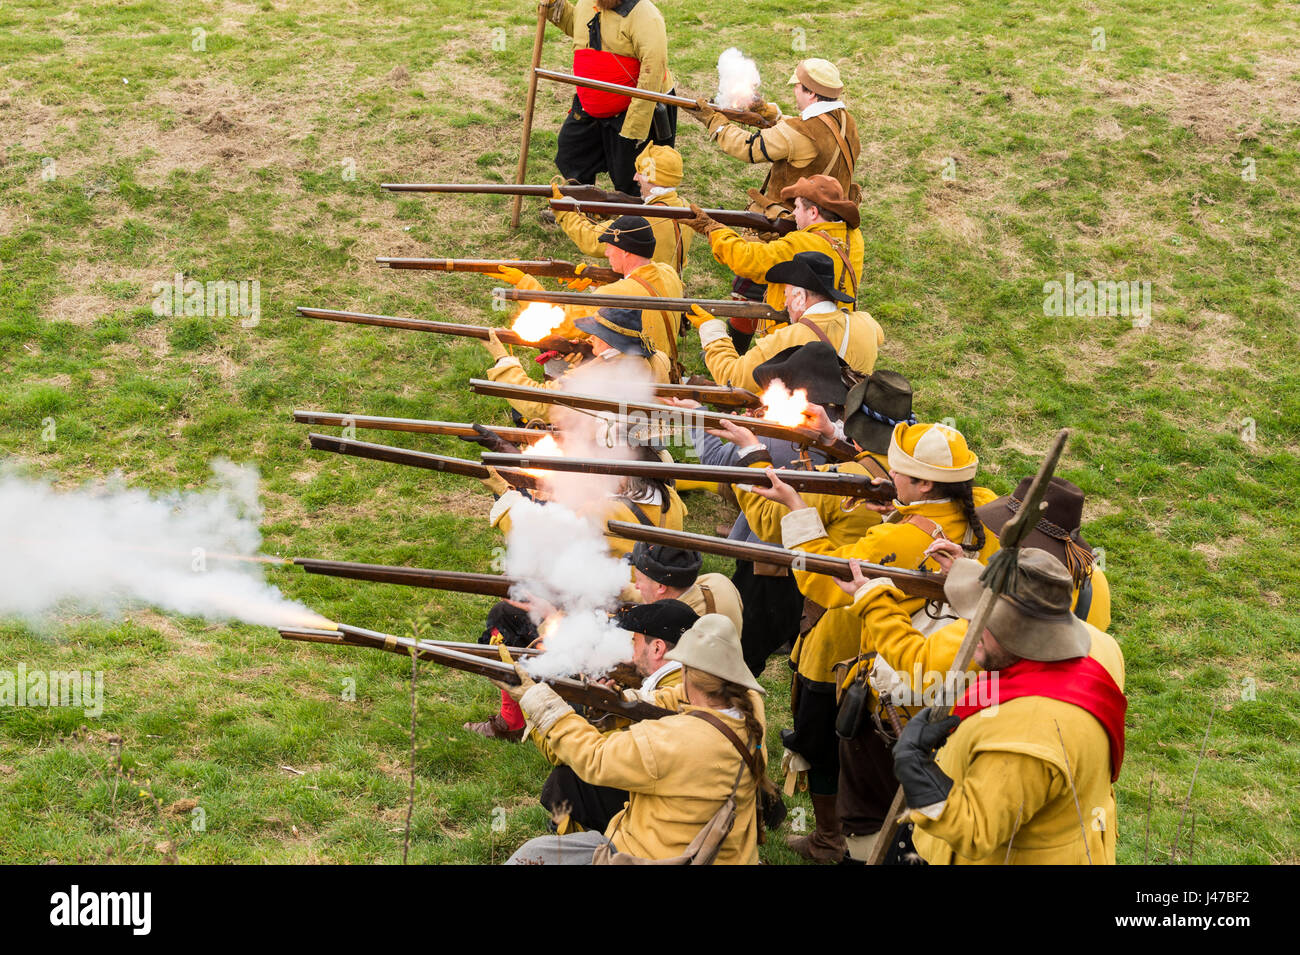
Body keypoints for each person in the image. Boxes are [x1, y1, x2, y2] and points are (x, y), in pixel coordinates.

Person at [747, 420, 999, 862]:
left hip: (897, 697)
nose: (888, 477)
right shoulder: (988, 515)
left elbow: (823, 580)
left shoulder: (896, 538)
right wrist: (901, 512)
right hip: (965, 695)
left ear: (923, 484)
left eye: (900, 473)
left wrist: (794, 505)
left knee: (870, 818)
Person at [886, 549, 1127, 865]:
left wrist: (917, 769)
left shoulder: (1026, 735)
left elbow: (974, 831)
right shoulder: (1101, 646)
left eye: (983, 618)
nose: (968, 626)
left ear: (1018, 631)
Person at [503, 614, 770, 864]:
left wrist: (538, 700)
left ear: (688, 672)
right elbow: (675, 696)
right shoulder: (750, 705)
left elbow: (593, 756)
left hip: (652, 855)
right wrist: (622, 702)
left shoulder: (668, 739)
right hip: (730, 855)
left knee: (532, 855)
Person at [539, 599, 698, 833]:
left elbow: (581, 754)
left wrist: (533, 700)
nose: (630, 652)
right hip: (679, 796)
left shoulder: (668, 697)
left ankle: (583, 836)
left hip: (666, 815)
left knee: (567, 776)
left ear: (657, 648)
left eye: (635, 641)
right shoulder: (690, 680)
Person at [495, 215, 686, 375]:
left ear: (626, 252)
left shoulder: (612, 295)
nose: (607, 252)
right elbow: (640, 286)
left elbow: (561, 325)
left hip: (633, 377)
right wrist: (599, 281)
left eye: (611, 247)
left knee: (555, 358)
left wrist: (524, 283)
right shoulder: (668, 272)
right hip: (664, 368)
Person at [687, 249, 882, 394]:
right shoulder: (867, 324)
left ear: (800, 296)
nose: (784, 302)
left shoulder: (786, 339)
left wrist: (710, 328)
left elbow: (733, 377)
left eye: (787, 294)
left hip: (800, 433)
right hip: (852, 429)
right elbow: (878, 336)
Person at [687, 58, 858, 217]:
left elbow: (749, 148)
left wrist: (715, 121)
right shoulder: (846, 120)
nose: (794, 90)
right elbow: (807, 129)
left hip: (794, 221)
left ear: (811, 93)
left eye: (797, 86)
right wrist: (770, 114)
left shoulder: (800, 132)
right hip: (830, 217)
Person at [542, 0, 676, 197]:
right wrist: (554, 6)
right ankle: (584, 209)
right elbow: (577, 25)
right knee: (573, 155)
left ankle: (635, 223)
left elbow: (652, 71)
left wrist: (634, 129)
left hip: (636, 107)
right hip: (589, 104)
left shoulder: (646, 16)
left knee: (632, 173)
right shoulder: (588, 3)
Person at [684, 176, 864, 316]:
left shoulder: (800, 243)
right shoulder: (854, 237)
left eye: (797, 207)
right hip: (838, 327)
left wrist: (713, 228)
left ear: (813, 212)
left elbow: (746, 259)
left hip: (795, 336)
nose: (793, 213)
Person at [481, 305, 673, 425]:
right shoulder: (660, 358)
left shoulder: (593, 378)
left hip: (606, 461)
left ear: (609, 340)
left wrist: (503, 360)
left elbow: (539, 405)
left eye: (597, 334)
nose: (590, 337)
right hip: (650, 449)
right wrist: (589, 360)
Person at [555, 144, 693, 274]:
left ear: (653, 178)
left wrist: (565, 210)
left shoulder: (642, 219)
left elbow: (591, 239)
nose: (635, 177)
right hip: (671, 284)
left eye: (640, 173)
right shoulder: (685, 206)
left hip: (641, 290)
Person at [628, 541, 744, 639]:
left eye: (639, 580)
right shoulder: (718, 582)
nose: (636, 586)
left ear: (660, 587)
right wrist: (621, 590)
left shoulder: (669, 629)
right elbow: (661, 595)